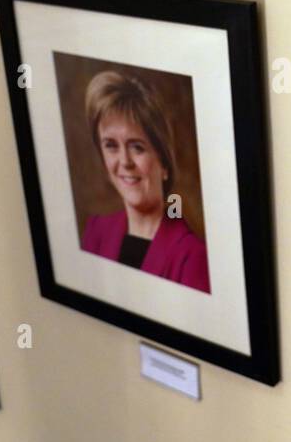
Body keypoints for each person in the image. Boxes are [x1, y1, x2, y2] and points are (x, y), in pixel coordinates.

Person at [80, 70, 211, 293]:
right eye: (111, 145)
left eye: (137, 147)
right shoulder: (96, 232)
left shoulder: (192, 257)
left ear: (164, 164)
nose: (124, 161)